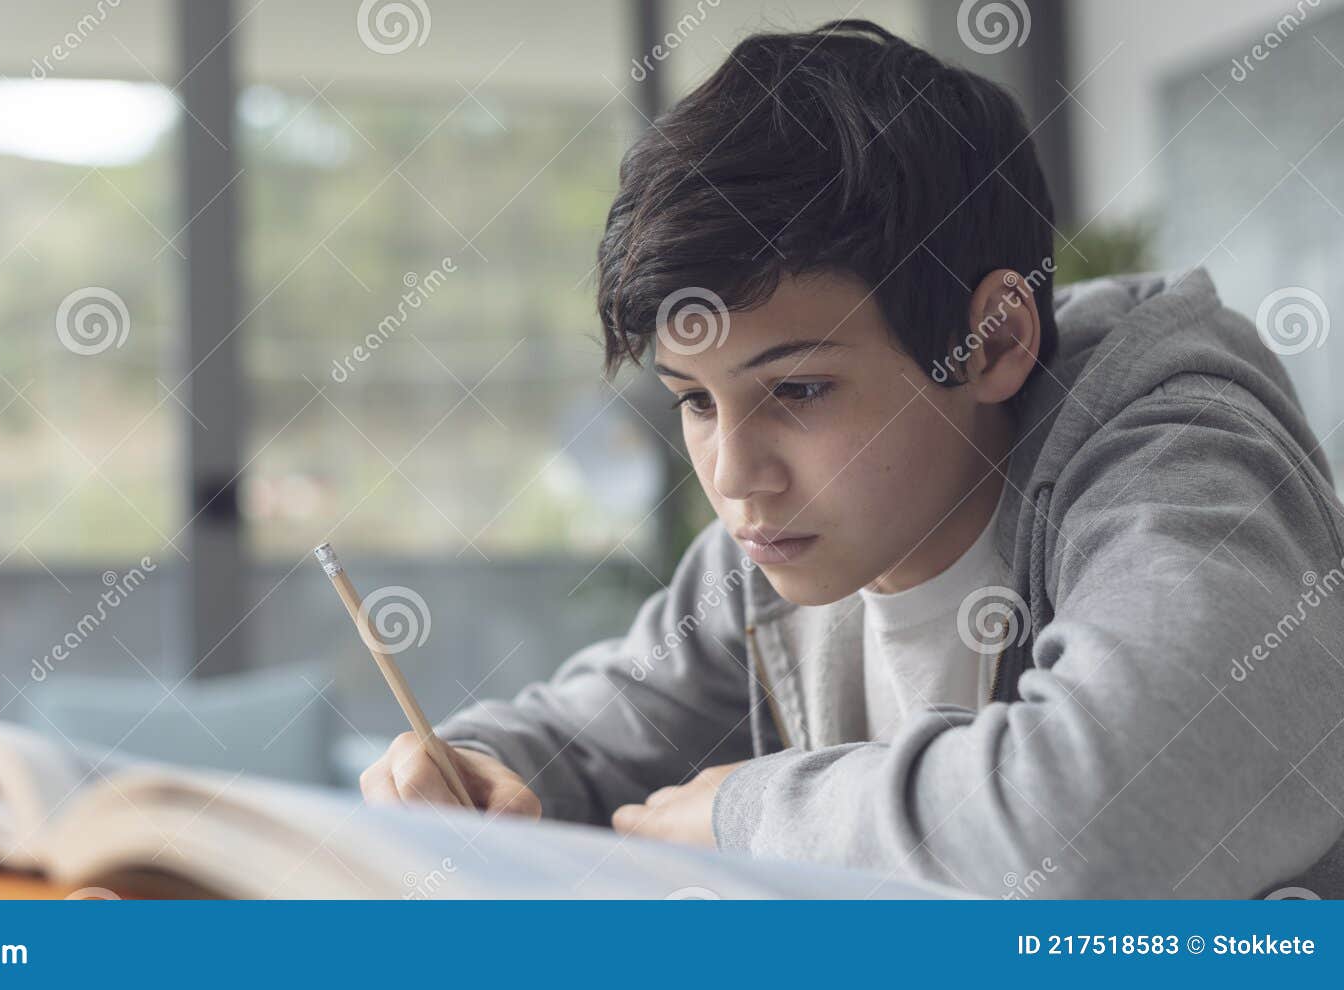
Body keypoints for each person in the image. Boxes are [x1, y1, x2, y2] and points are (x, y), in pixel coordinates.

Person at [358, 20, 1344, 899]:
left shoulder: (1178, 465)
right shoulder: (769, 554)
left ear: (993, 341)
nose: (735, 477)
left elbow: (1108, 831)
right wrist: (478, 764)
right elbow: (590, 731)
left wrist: (741, 818)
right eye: (696, 401)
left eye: (796, 391)